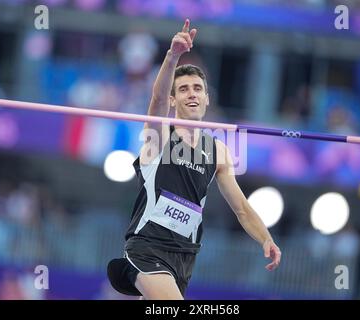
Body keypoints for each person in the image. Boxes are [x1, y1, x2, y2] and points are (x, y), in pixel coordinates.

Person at [107, 19, 281, 300]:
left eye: (198, 89)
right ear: (175, 100)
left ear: (207, 99)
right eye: (184, 89)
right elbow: (158, 99)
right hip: (148, 248)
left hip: (184, 258)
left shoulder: (219, 152)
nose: (192, 94)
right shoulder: (159, 136)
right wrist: (173, 55)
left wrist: (265, 237)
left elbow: (241, 208)